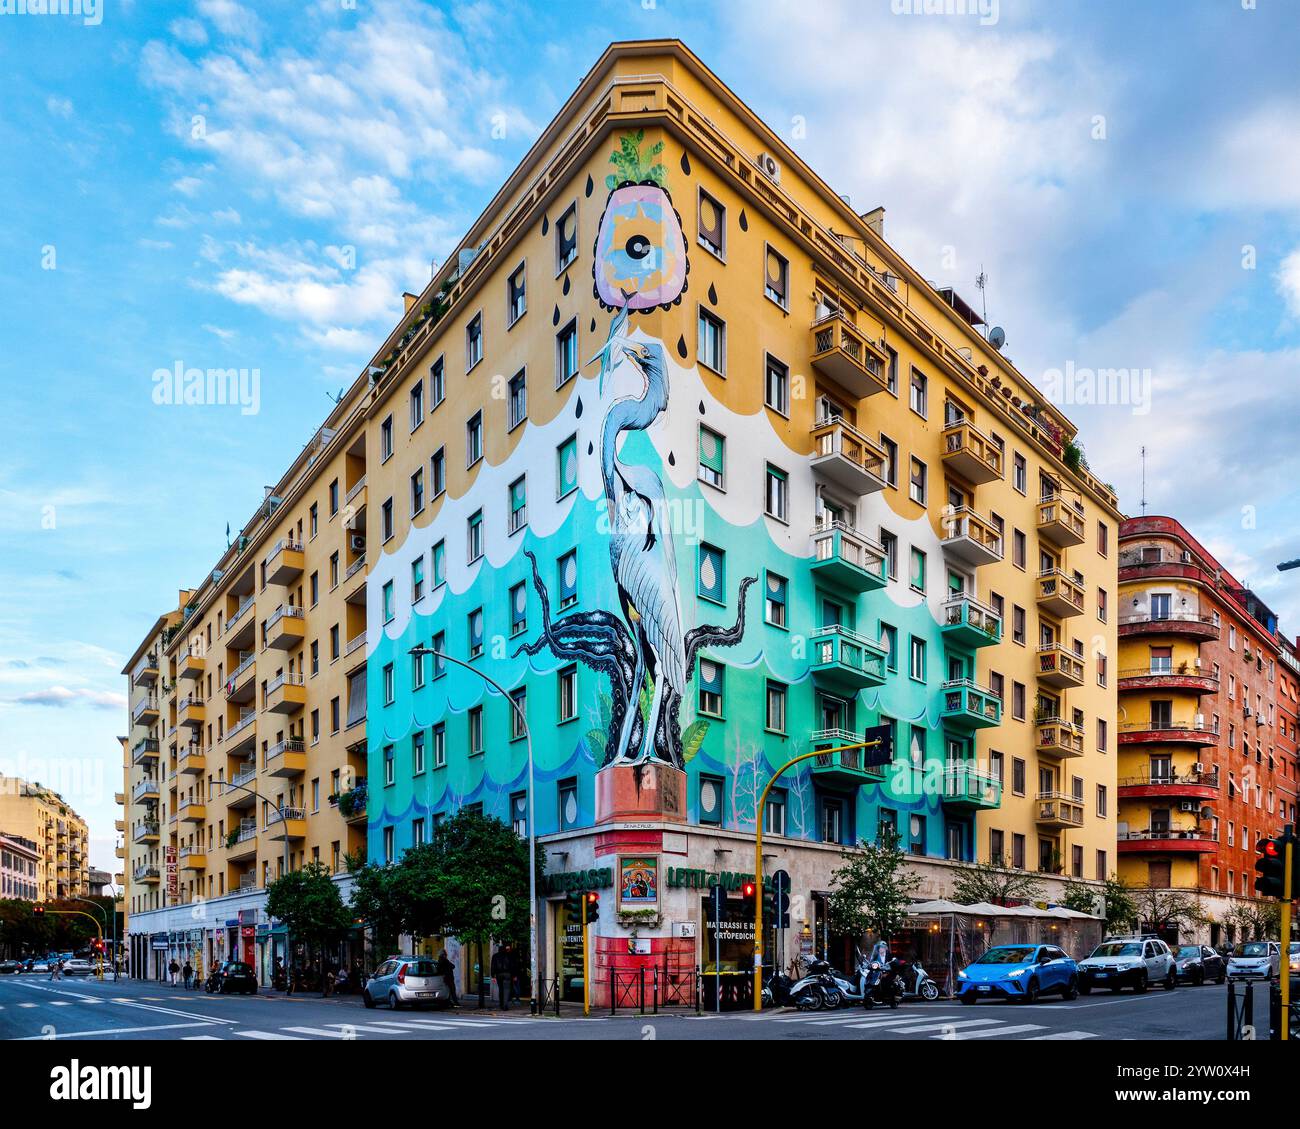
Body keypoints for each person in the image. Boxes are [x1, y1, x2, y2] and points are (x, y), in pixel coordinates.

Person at [491, 944, 512, 1010]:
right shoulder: (508, 955)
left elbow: (493, 966)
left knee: (501, 989)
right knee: (506, 990)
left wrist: (493, 976)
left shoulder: (495, 956)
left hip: (499, 974)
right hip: (507, 974)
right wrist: (513, 974)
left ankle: (501, 1004)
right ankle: (505, 1005)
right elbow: (512, 965)